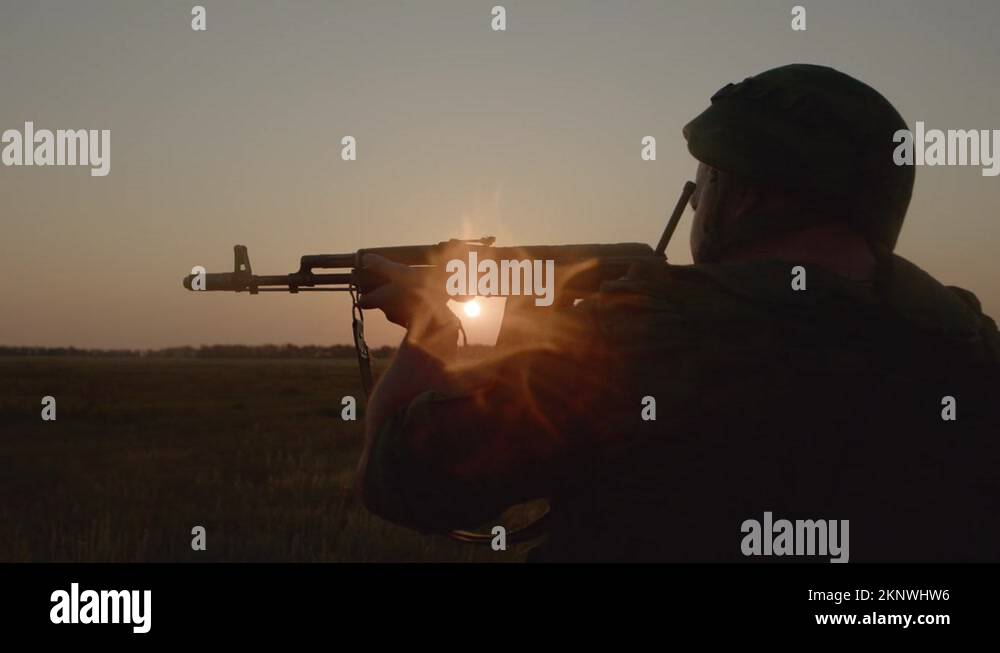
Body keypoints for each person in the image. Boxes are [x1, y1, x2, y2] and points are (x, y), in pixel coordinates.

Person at [354, 64, 1000, 562]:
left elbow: (397, 480)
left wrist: (431, 324)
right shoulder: (970, 344)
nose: (694, 208)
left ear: (743, 198)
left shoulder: (629, 345)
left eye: (702, 185)